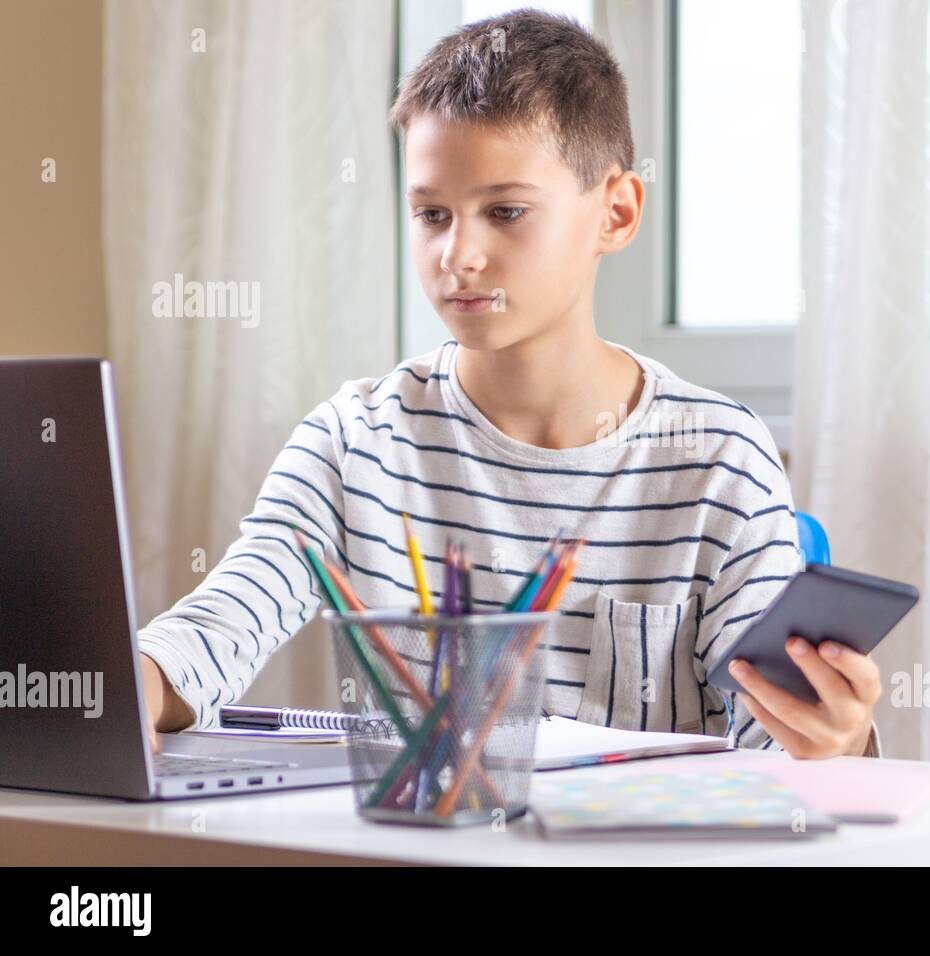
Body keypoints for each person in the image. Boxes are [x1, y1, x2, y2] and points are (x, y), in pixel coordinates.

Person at [139, 8, 881, 760]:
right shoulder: (354, 441)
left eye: (505, 211)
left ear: (616, 213)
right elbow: (217, 631)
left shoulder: (719, 457)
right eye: (432, 214)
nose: (458, 255)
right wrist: (130, 682)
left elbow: (784, 751)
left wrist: (838, 739)